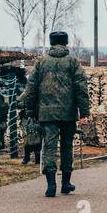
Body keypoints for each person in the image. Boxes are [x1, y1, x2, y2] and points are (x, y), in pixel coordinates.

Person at [18, 30, 90, 197]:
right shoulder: (73, 62)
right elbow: (81, 88)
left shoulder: (41, 62)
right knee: (66, 147)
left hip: (46, 114)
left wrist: (30, 111)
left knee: (49, 147)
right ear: (66, 42)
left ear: (51, 43)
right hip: (68, 114)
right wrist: (84, 112)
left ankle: (51, 185)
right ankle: (66, 183)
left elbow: (31, 89)